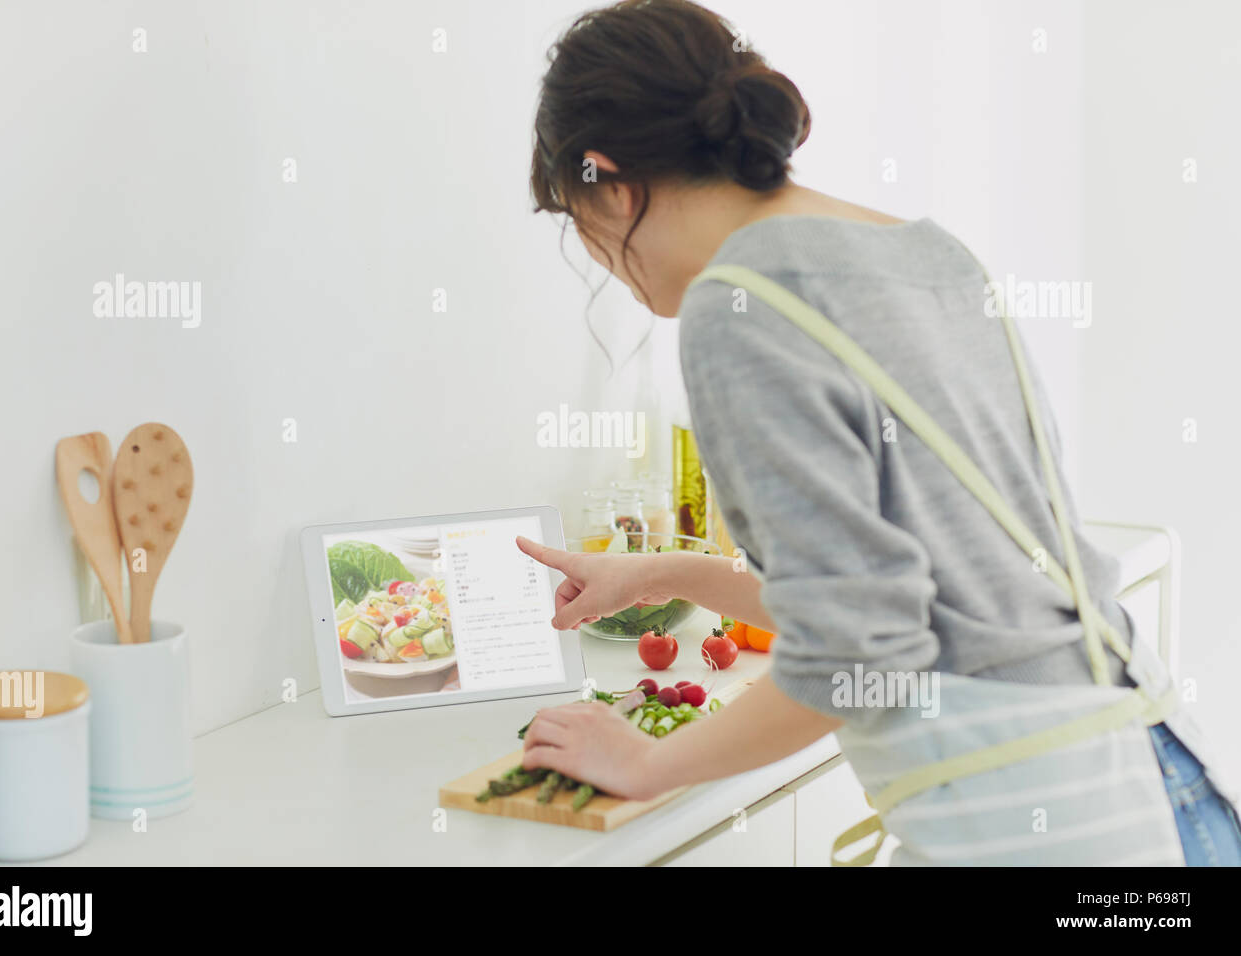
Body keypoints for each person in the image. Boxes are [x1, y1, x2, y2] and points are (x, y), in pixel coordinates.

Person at [513, 0, 1241, 866]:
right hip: (1161, 787)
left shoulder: (738, 307)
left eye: (574, 214)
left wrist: (647, 764)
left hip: (1043, 827)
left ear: (610, 181)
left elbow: (858, 655)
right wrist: (668, 574)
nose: (593, 253)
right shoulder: (929, 253)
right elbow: (931, 598)